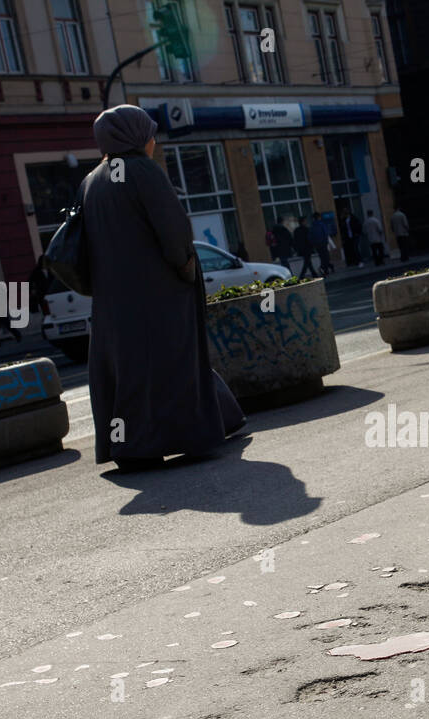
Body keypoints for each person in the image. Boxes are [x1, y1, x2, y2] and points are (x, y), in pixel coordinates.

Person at [79, 104, 244, 472]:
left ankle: (133, 447)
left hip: (113, 300)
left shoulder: (92, 181)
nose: (153, 140)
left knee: (130, 372)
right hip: (157, 293)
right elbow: (173, 228)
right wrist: (185, 267)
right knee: (175, 361)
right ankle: (194, 435)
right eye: (148, 132)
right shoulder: (141, 171)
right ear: (135, 137)